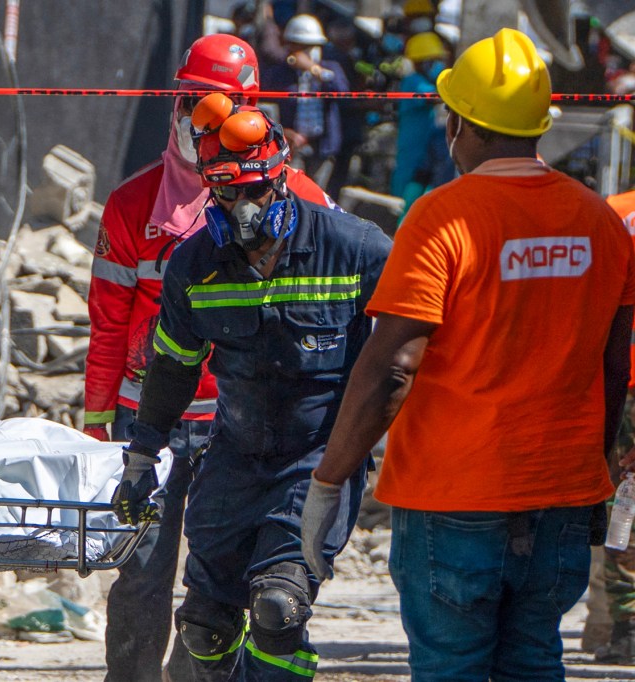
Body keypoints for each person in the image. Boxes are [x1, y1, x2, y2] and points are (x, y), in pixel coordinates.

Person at [300, 29, 635, 680]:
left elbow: (393, 366)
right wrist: (599, 470)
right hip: (560, 497)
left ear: (461, 125)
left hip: (456, 496)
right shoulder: (596, 220)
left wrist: (328, 480)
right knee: (535, 659)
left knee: (452, 667)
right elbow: (614, 359)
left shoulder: (442, 217)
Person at [110, 100, 390, 680]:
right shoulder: (195, 265)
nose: (243, 210)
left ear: (282, 175)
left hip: (315, 461)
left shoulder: (357, 251)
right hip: (234, 460)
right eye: (226, 195)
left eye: (255, 191)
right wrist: (142, 454)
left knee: (277, 607)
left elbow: (409, 355)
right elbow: (173, 368)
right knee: (205, 627)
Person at [85, 33, 334, 682]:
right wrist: (95, 423)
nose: (196, 119)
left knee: (220, 587)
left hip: (244, 428)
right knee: (139, 580)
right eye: (188, 100)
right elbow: (108, 325)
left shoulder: (300, 201)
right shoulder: (132, 206)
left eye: (217, 105)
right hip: (150, 424)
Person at [593, 186, 635, 664]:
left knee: (623, 502)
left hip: (618, 380)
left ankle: (624, 627)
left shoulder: (611, 214)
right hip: (620, 380)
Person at [261, 14, 350, 187]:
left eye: (310, 46)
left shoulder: (330, 68)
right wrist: (283, 131)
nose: (305, 50)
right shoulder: (278, 73)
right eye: (299, 45)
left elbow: (344, 94)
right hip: (292, 146)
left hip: (322, 146)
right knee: (291, 190)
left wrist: (313, 69)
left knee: (316, 194)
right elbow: (264, 107)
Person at [391, 32, 453, 208]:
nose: (435, 64)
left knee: (420, 181)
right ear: (421, 61)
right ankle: (396, 212)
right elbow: (433, 97)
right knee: (407, 178)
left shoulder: (423, 79)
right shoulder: (413, 81)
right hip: (412, 142)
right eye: (431, 60)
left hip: (423, 141)